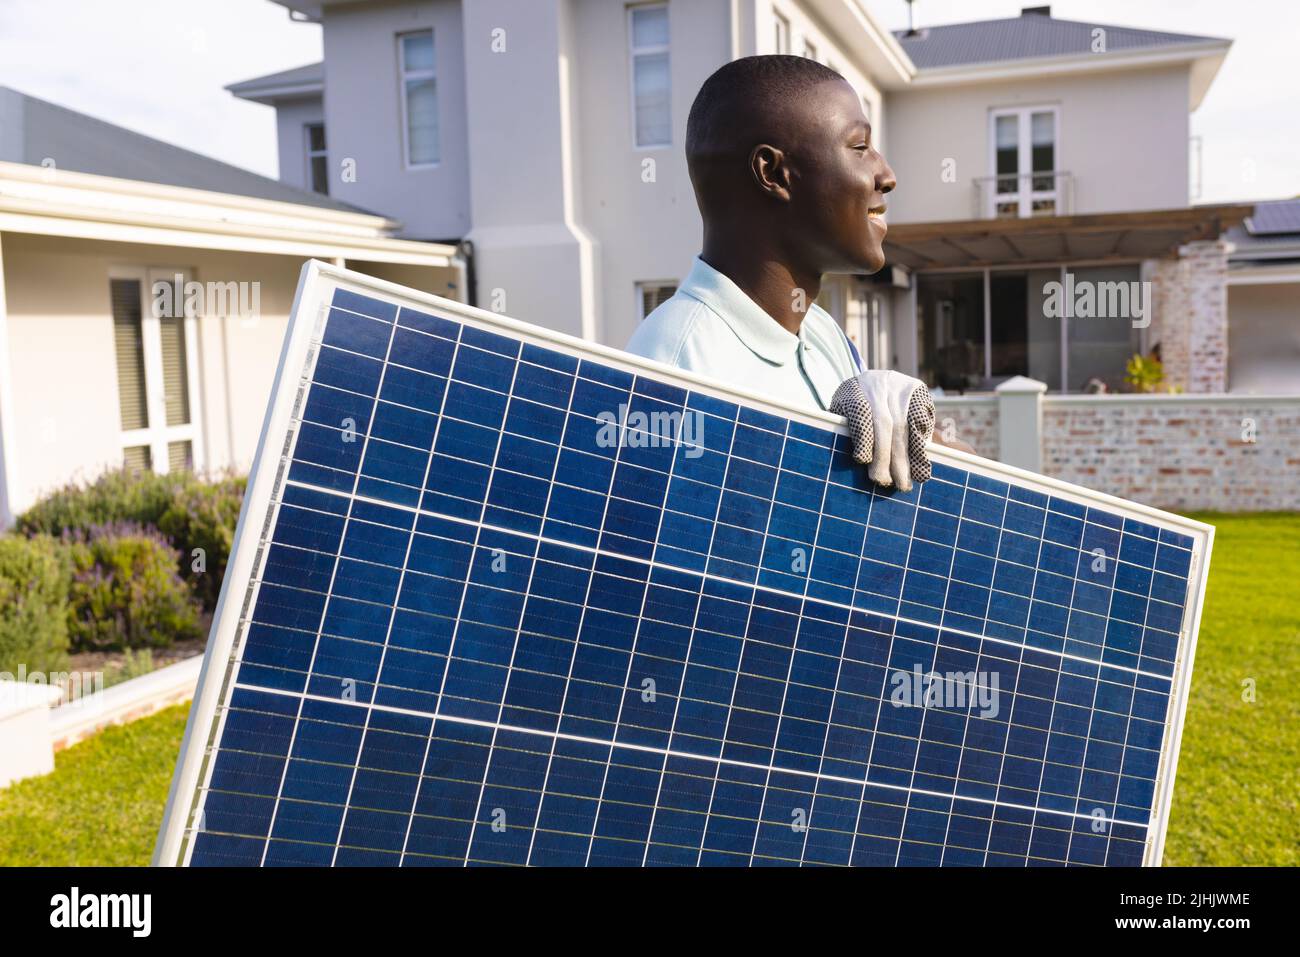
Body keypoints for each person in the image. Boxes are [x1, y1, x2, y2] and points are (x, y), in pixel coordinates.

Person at [626, 55, 971, 492]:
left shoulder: (823, 335)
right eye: (860, 147)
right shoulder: (677, 365)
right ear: (773, 173)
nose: (886, 175)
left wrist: (927, 438)